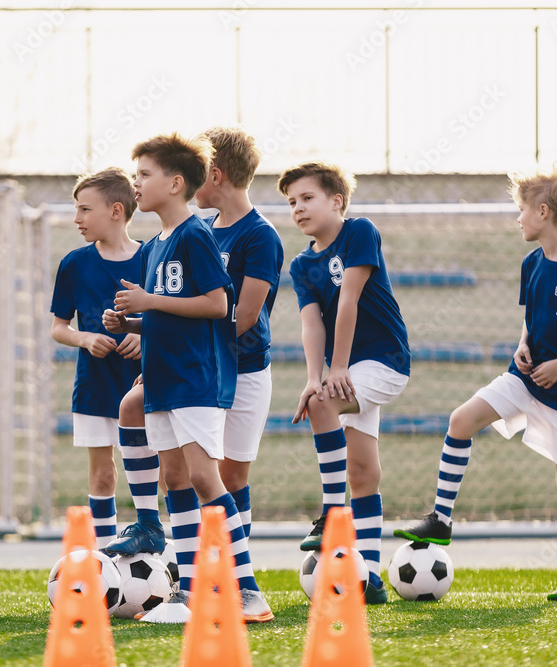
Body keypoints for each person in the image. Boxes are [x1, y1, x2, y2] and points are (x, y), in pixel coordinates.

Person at [395, 165, 557, 601]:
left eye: (522, 210)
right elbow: (531, 317)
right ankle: (441, 519)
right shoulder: (531, 262)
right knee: (461, 420)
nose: (518, 218)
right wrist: (522, 345)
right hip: (526, 380)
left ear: (543, 212)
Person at [103, 132, 272, 623]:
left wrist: (148, 302)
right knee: (175, 479)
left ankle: (247, 592)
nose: (136, 183)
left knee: (203, 477)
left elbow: (218, 305)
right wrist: (131, 322)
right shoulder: (154, 245)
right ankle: (190, 593)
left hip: (195, 378)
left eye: (145, 174)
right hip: (161, 378)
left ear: (176, 183)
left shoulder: (195, 234)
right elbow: (168, 316)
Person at [280, 161, 411, 605]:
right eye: (291, 202)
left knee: (323, 405)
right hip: (349, 371)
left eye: (307, 198)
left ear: (337, 201)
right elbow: (311, 323)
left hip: (384, 361)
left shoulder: (359, 232)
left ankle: (334, 516)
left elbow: (350, 299)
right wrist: (313, 377)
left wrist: (336, 370)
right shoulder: (301, 264)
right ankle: (369, 576)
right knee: (362, 472)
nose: (298, 208)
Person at [50, 167, 143, 551]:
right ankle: (105, 555)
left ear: (116, 211)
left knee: (162, 473)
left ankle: (164, 552)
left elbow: (172, 317)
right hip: (95, 386)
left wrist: (145, 337)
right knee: (103, 474)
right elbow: (59, 328)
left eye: (85, 209)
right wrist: (85, 338)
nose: (77, 218)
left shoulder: (152, 256)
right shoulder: (74, 263)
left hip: (146, 385)